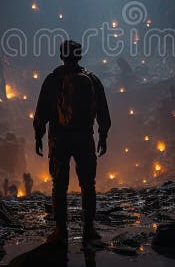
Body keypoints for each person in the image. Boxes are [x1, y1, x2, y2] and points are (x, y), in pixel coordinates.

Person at [33, 40, 110, 247]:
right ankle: (89, 229)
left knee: (59, 184)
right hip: (84, 137)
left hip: (59, 138)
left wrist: (38, 135)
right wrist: (103, 135)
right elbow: (103, 109)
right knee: (88, 184)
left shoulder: (52, 80)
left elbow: (42, 111)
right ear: (79, 56)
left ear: (62, 55)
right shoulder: (92, 80)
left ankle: (60, 230)